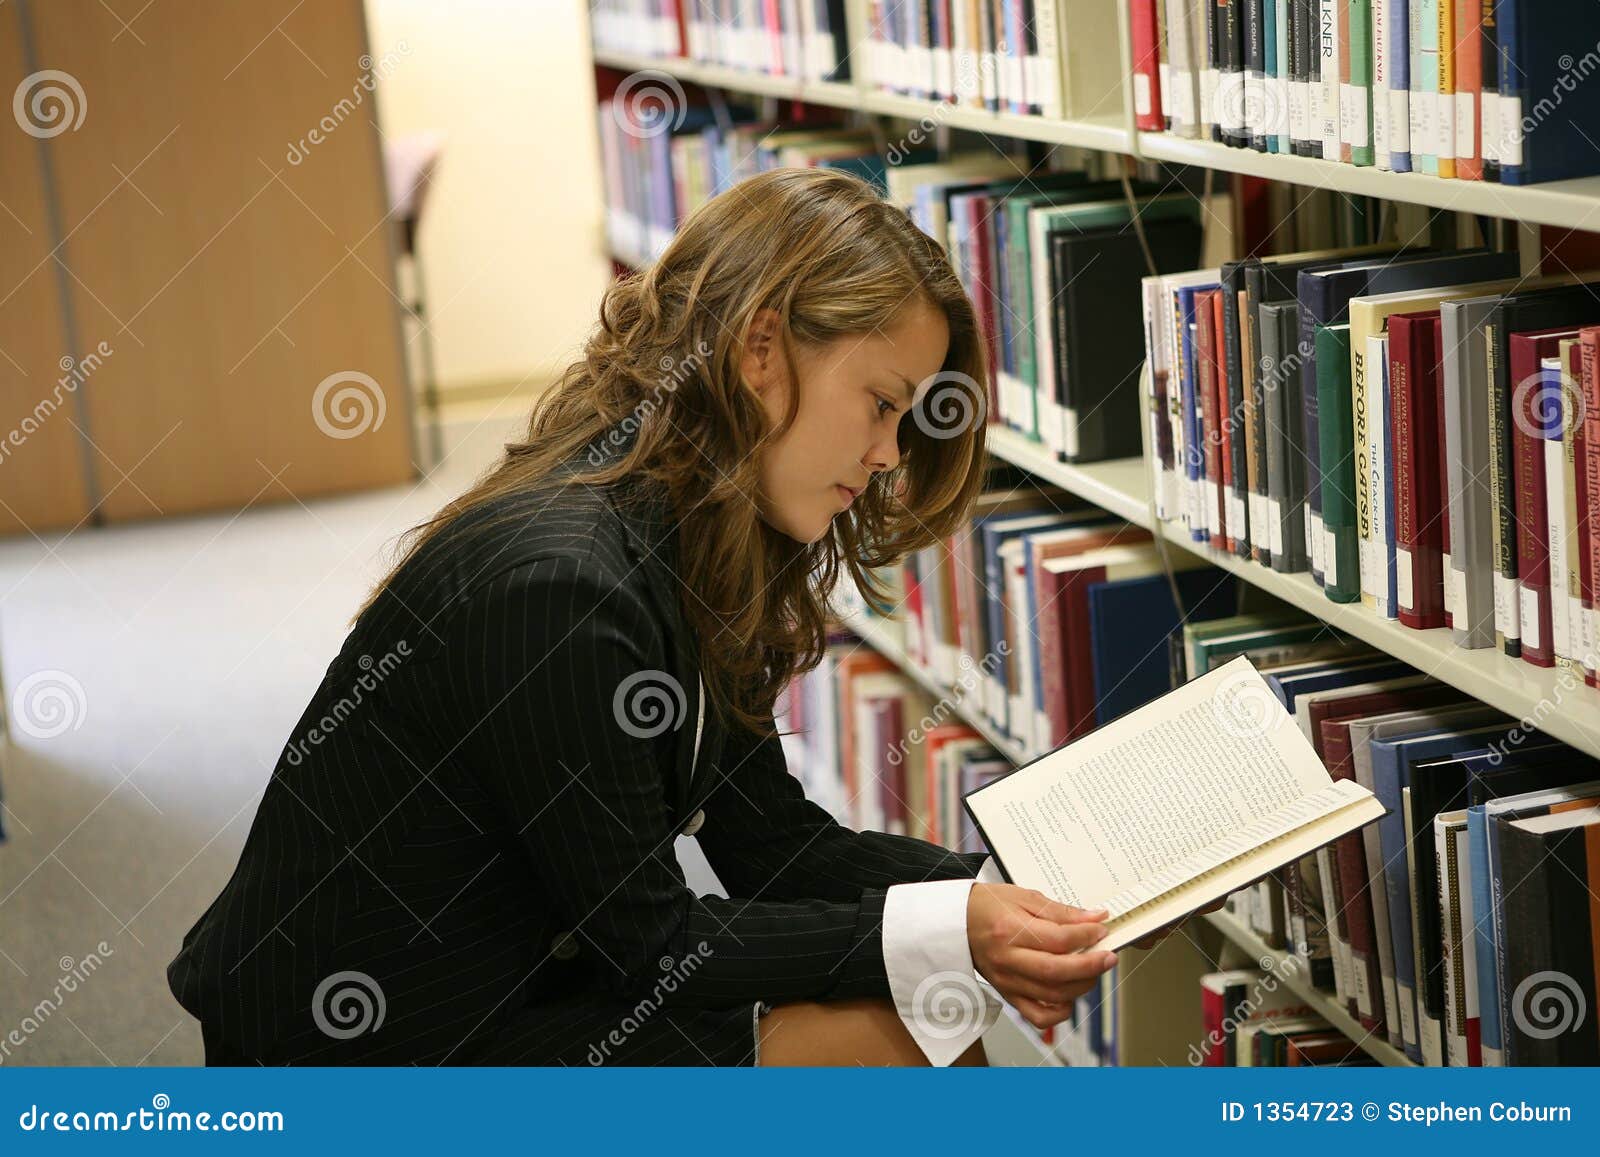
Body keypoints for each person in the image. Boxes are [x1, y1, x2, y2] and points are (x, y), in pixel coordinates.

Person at [166, 166, 1211, 1067]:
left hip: (519, 971)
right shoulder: (561, 584)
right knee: (894, 1028)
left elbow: (773, 845)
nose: (892, 452)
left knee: (918, 997)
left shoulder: (697, 533)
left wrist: (1015, 894)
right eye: (880, 402)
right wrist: (955, 931)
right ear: (762, 350)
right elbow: (653, 943)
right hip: (374, 1043)